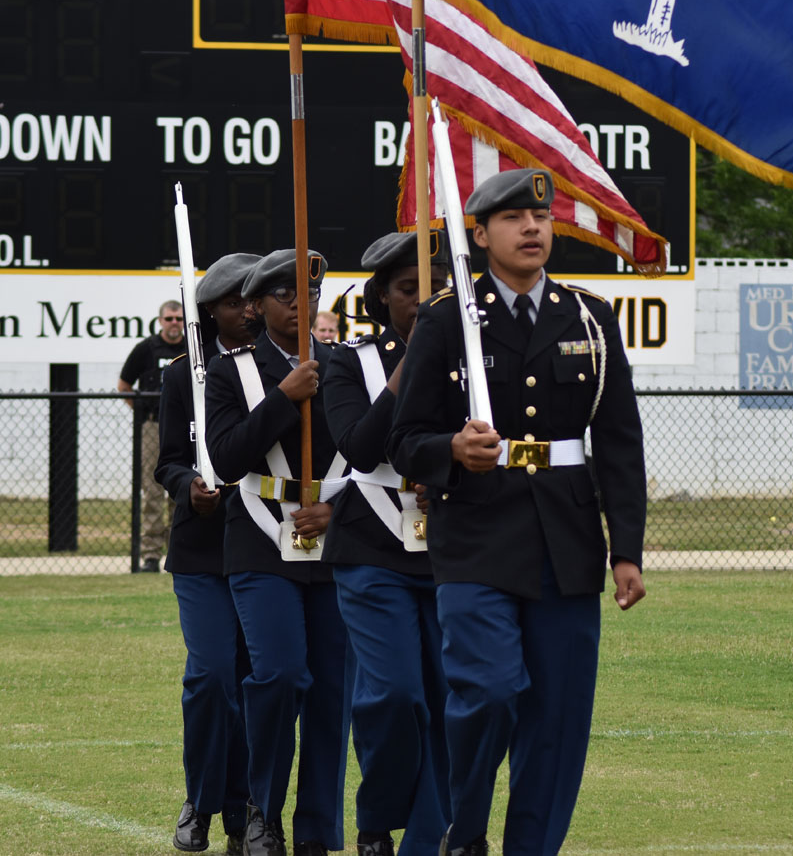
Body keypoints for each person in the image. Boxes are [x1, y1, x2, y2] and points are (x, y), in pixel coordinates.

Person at [387, 169, 647, 856]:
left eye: (541, 217)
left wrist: (627, 550)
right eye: (511, 219)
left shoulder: (589, 317)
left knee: (556, 720)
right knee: (491, 692)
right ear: (479, 234)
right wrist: (450, 447)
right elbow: (403, 438)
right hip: (475, 534)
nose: (532, 228)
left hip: (566, 541)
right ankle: (464, 828)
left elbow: (618, 441)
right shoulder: (447, 318)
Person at [204, 249, 353, 856]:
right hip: (261, 543)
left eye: (309, 293)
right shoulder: (231, 372)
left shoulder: (345, 365)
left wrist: (339, 511)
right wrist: (284, 397)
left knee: (331, 692)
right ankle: (263, 810)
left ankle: (318, 829)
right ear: (257, 304)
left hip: (335, 541)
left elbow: (374, 454)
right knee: (280, 674)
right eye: (285, 295)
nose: (300, 303)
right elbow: (227, 458)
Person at [322, 231, 451, 856]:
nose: (424, 302)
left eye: (436, 289)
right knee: (396, 695)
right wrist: (413, 359)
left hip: (455, 551)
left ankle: (427, 838)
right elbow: (359, 447)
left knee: (454, 701)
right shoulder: (351, 363)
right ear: (381, 298)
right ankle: (376, 815)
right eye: (408, 291)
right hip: (372, 550)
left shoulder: (473, 364)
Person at [155, 253, 261, 855]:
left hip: (265, 545)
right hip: (200, 551)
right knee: (212, 675)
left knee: (257, 679)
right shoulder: (179, 377)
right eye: (231, 302)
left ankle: (248, 806)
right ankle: (202, 799)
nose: (245, 310)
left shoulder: (278, 371)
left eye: (252, 299)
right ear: (209, 311)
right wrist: (185, 486)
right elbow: (166, 459)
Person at [118, 299, 185, 572]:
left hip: (185, 428)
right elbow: (124, 386)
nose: (174, 324)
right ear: (160, 321)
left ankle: (178, 550)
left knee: (181, 489)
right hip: (153, 426)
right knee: (153, 490)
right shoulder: (146, 349)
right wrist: (143, 412)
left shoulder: (192, 347)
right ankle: (151, 555)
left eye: (179, 319)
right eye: (169, 318)